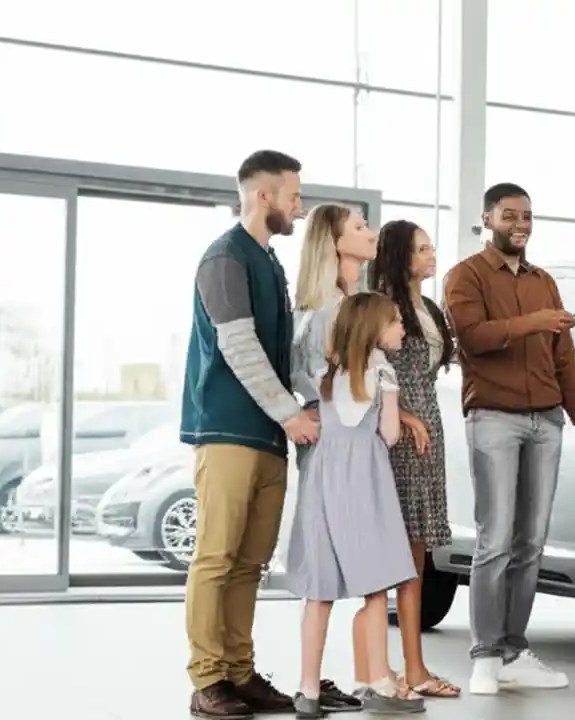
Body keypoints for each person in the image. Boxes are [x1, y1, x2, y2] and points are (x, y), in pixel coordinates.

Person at [443, 182, 575, 696]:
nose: (521, 224)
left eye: (528, 216)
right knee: (495, 540)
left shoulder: (544, 281)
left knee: (530, 543)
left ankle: (514, 649)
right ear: (487, 218)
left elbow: (563, 360)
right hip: (493, 417)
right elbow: (471, 339)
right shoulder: (464, 276)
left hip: (547, 422)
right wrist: (532, 322)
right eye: (509, 215)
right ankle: (485, 656)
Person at [180, 149, 319, 719]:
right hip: (229, 429)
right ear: (264, 196)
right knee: (216, 557)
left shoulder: (271, 263)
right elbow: (238, 346)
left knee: (249, 561)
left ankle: (239, 671)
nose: (299, 205)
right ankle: (207, 677)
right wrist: (290, 413)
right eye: (293, 194)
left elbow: (282, 354)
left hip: (268, 435)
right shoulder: (224, 257)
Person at [290, 204, 431, 711]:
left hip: (324, 475)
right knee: (377, 582)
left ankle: (308, 688)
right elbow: (387, 433)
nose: (400, 330)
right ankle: (378, 681)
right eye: (358, 226)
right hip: (366, 481)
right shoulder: (375, 369)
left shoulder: (329, 370)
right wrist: (393, 401)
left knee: (321, 589)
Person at [365, 219, 461, 699]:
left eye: (431, 247)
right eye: (422, 249)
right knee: (395, 553)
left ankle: (415, 669)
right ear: (401, 255)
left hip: (429, 431)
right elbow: (363, 370)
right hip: (397, 433)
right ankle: (385, 672)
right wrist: (401, 414)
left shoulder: (429, 308)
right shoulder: (380, 307)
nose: (431, 254)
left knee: (418, 552)